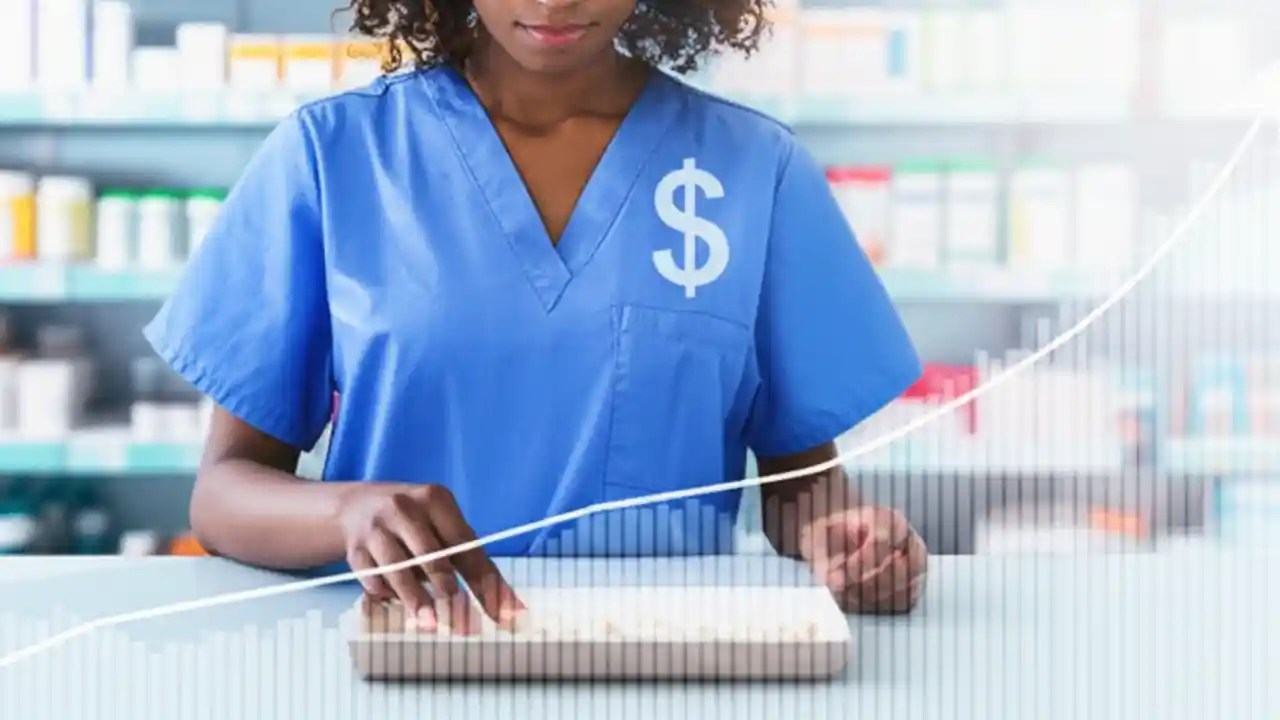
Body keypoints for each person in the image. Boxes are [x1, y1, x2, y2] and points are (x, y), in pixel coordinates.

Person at [144, 0, 928, 634]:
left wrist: (841, 534)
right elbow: (222, 497)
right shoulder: (332, 155)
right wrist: (346, 509)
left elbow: (804, 483)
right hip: (408, 651)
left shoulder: (754, 169)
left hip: (658, 662)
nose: (554, 0)